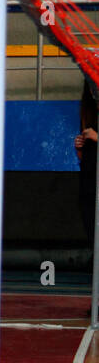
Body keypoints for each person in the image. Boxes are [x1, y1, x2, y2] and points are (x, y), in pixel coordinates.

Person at [74, 78, 97, 247]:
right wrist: (79, 147)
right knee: (88, 215)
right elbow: (82, 157)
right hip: (89, 176)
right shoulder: (87, 112)